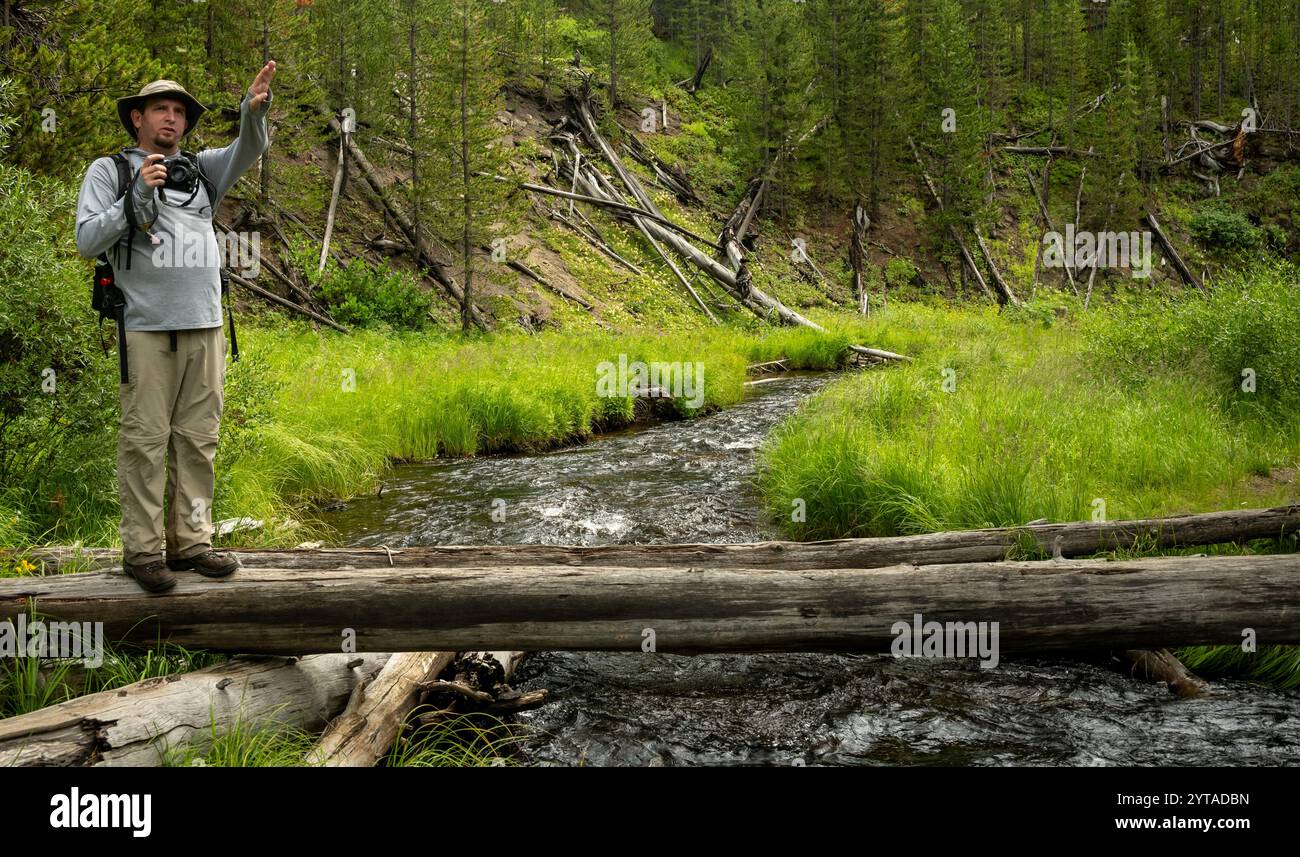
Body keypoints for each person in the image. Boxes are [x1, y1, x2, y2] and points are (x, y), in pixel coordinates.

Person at [74, 61, 277, 593]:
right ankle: (142, 554)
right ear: (137, 118)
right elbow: (88, 240)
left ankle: (192, 544)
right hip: (144, 329)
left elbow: (248, 150)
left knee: (198, 440)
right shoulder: (109, 171)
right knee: (144, 441)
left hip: (206, 326)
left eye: (179, 112)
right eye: (161, 109)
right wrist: (135, 195)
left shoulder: (203, 170)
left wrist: (252, 113)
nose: (171, 118)